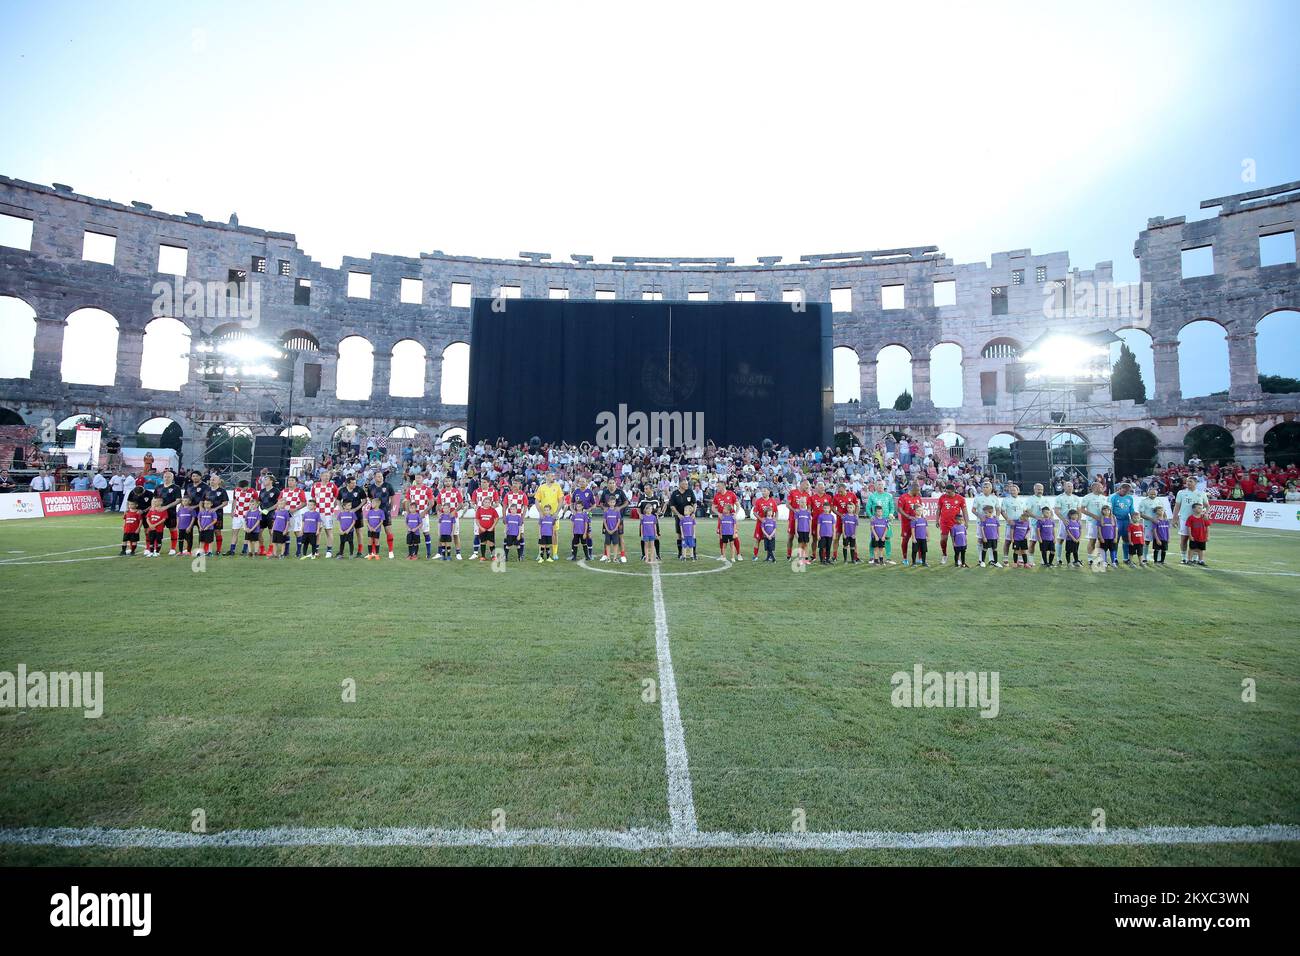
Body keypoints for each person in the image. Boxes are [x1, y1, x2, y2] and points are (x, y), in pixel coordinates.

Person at [1172, 476, 1208, 565]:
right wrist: (1174, 518)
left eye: (1190, 481)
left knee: (1197, 539)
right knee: (1184, 539)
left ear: (1195, 483)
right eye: (1187, 481)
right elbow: (1177, 506)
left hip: (1198, 520)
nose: (1188, 483)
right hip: (1184, 519)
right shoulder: (1181, 493)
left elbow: (1207, 505)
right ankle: (1183, 557)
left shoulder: (1201, 493)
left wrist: (1206, 513)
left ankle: (1195, 558)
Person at [935, 482, 966, 565]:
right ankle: (944, 555)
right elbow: (938, 510)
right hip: (944, 522)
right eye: (946, 492)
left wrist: (966, 522)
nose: (947, 493)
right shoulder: (942, 497)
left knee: (956, 541)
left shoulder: (960, 498)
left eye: (949, 492)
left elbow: (964, 511)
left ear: (954, 491)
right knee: (943, 539)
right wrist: (937, 520)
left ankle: (958, 558)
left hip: (956, 524)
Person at [1109, 481, 1137, 566]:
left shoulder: (1130, 498)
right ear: (1119, 489)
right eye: (1124, 490)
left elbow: (1131, 509)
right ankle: (1115, 559)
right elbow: (1110, 510)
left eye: (1127, 491)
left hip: (1126, 521)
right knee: (1115, 540)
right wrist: (1113, 520)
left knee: (1127, 540)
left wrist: (1134, 519)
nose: (1125, 492)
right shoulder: (1113, 497)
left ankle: (1126, 558)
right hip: (1117, 521)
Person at [437, 477, 465, 560]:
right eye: (446, 481)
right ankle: (439, 553)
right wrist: (439, 512)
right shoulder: (441, 492)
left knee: (455, 534)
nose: (447, 482)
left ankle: (458, 553)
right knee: (441, 534)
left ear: (451, 482)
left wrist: (454, 511)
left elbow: (461, 504)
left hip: (453, 517)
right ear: (444, 482)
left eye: (449, 481)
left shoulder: (456, 491)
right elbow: (438, 505)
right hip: (443, 517)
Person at [751, 484, 780, 560]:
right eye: (762, 491)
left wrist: (775, 519)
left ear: (768, 492)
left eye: (765, 491)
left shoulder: (772, 501)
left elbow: (776, 511)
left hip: (769, 524)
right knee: (757, 539)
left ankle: (769, 556)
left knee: (769, 539)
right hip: (760, 524)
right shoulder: (758, 501)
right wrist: (761, 519)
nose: (763, 492)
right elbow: (754, 512)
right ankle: (755, 555)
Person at [1185, 502, 1211, 566]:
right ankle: (1189, 560)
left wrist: (1207, 536)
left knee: (1201, 549)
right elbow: (1189, 527)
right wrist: (1190, 535)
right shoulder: (1190, 518)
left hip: (1202, 537)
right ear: (1194, 509)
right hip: (1194, 537)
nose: (1201, 509)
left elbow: (1207, 527)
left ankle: (1201, 560)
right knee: (1192, 549)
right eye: (1199, 508)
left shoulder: (1204, 517)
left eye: (1201, 508)